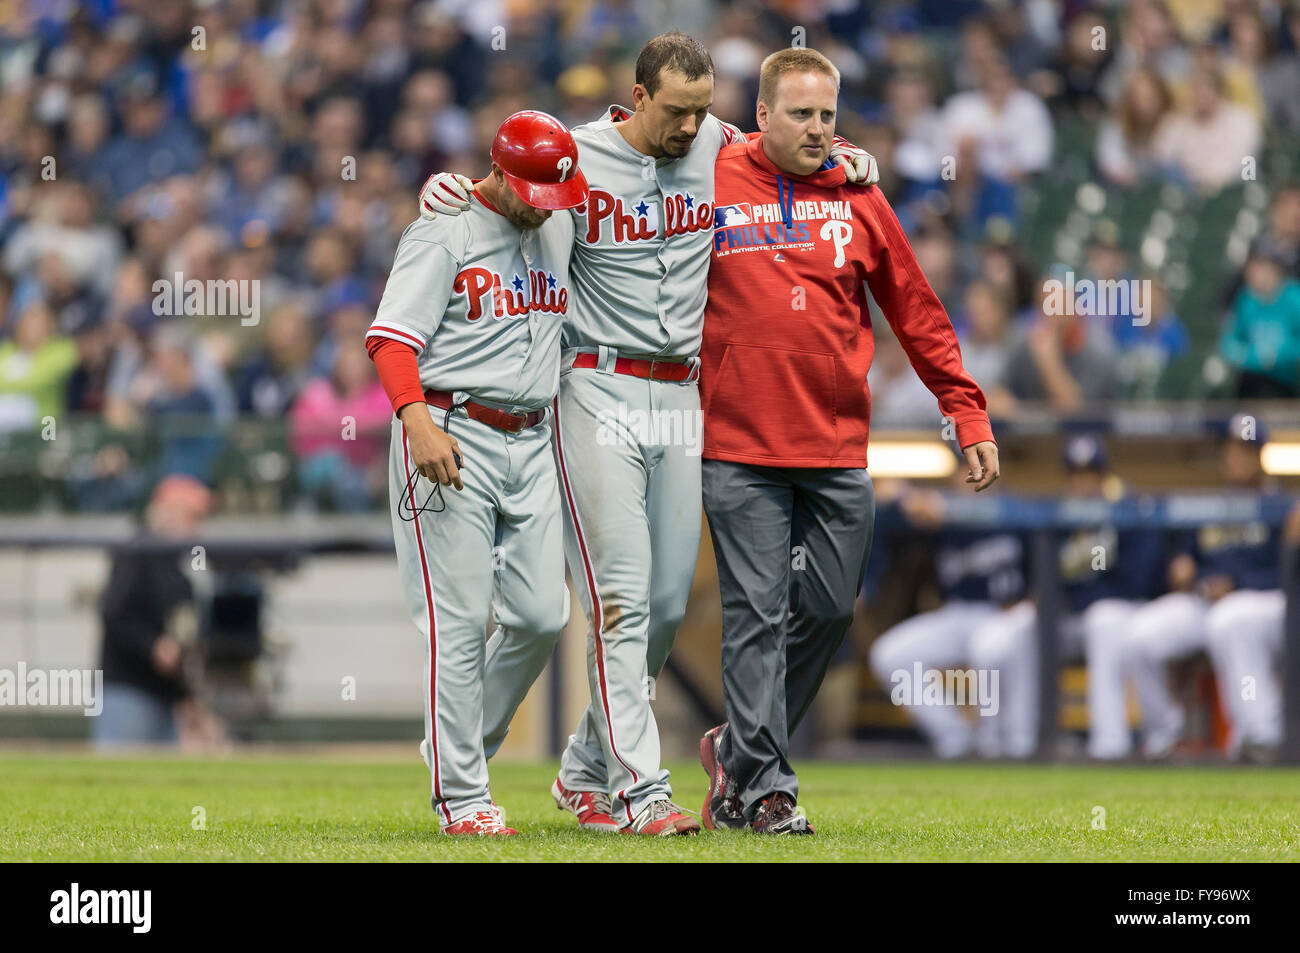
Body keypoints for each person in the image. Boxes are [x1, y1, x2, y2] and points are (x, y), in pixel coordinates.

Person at [415, 31, 878, 835]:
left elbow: (801, 148)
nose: (691, 127)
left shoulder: (723, 146)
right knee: (621, 597)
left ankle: (584, 769)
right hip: (596, 384)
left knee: (666, 604)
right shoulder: (582, 157)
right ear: (637, 99)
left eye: (703, 111)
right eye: (676, 111)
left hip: (680, 394)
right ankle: (640, 790)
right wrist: (451, 185)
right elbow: (511, 183)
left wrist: (851, 157)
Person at [696, 47, 998, 834]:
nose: (817, 129)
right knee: (755, 613)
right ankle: (767, 791)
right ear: (758, 116)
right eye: (799, 113)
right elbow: (632, 129)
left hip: (834, 450)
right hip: (739, 444)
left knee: (829, 609)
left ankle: (735, 748)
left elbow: (918, 311)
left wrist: (965, 411)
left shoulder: (859, 195)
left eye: (828, 115)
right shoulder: (710, 175)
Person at [365, 111, 588, 836]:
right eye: (530, 189)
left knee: (540, 616)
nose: (542, 204)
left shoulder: (558, 218)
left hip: (532, 436)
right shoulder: (445, 226)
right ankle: (461, 794)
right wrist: (415, 419)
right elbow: (393, 338)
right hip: (449, 431)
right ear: (497, 171)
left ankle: (455, 747)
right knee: (458, 623)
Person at [967, 435, 1165, 760]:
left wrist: (1081, 596)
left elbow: (1138, 580)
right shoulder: (1060, 519)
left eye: (1091, 473)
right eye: (1076, 474)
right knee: (1025, 627)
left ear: (1104, 475)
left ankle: (1109, 743)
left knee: (1103, 619)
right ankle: (1023, 742)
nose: (1083, 482)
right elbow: (1040, 578)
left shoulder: (1129, 512)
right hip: (1072, 617)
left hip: (1121, 611)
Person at [1127, 417, 1299, 762]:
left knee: (1232, 620)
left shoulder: (1283, 505)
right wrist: (1183, 566)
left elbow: (1287, 572)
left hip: (1266, 603)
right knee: (1140, 634)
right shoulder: (1212, 505)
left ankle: (1262, 735)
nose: (1235, 458)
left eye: (1244, 451)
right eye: (1231, 450)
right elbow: (1188, 556)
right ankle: (1165, 733)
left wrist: (1237, 584)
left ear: (1260, 455)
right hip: (1207, 602)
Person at [95, 475, 212, 747]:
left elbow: (180, 641)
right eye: (190, 516)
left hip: (163, 699)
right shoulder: (137, 550)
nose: (195, 527)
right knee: (118, 780)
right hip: (126, 691)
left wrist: (187, 698)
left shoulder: (179, 573)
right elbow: (113, 613)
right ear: (167, 511)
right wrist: (153, 646)